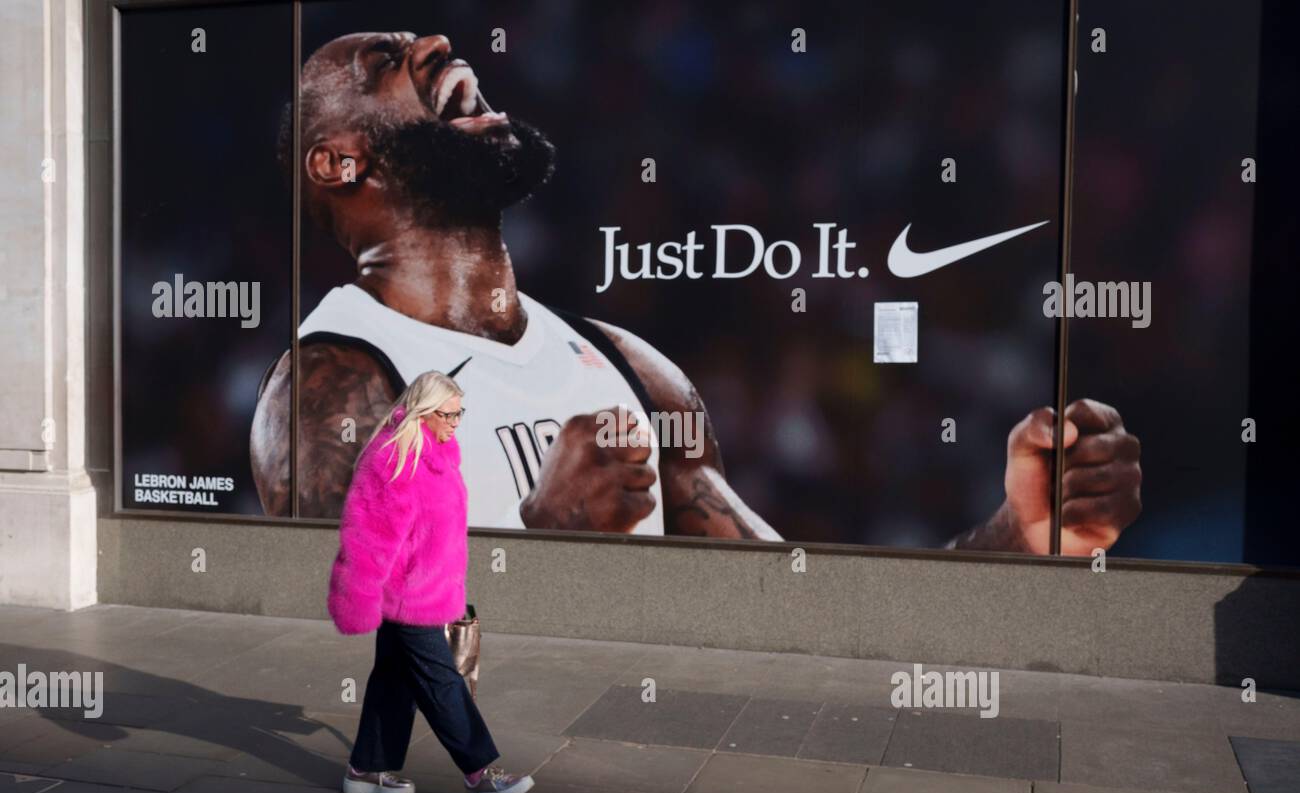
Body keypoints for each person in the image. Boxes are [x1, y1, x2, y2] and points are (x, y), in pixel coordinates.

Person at [251, 30, 1142, 556]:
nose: (436, 45)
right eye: (386, 60)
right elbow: (357, 668)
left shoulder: (625, 367)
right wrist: (550, 538)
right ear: (338, 164)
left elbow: (787, 612)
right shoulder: (332, 388)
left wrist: (1020, 535)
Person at [327, 369, 534, 793]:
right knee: (442, 682)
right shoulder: (393, 459)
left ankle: (365, 769)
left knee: (393, 681)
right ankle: (480, 774)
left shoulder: (439, 453)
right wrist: (357, 597)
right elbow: (368, 536)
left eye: (461, 415)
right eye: (449, 415)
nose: (456, 423)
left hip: (430, 589)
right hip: (407, 597)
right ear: (424, 411)